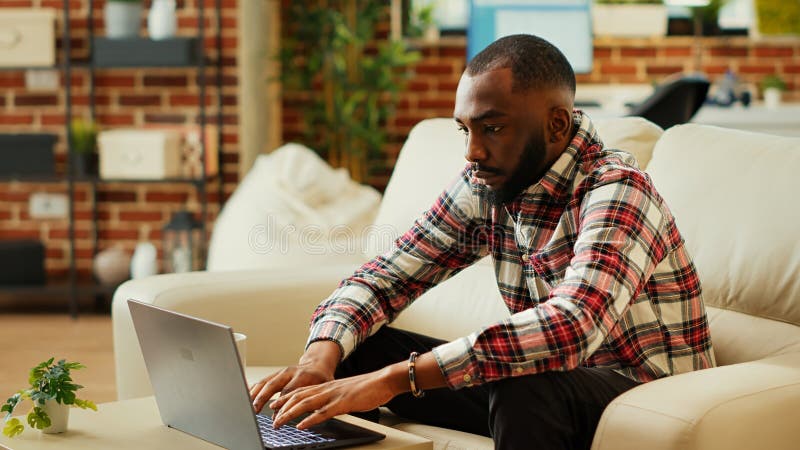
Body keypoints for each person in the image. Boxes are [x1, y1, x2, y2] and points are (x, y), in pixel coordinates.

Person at [250, 34, 715, 450]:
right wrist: (319, 357)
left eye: (492, 128)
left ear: (556, 125)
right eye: (465, 129)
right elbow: (384, 277)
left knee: (525, 383)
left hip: (645, 397)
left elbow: (571, 328)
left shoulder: (618, 188)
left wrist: (397, 379)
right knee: (360, 347)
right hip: (545, 382)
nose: (472, 151)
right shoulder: (488, 181)